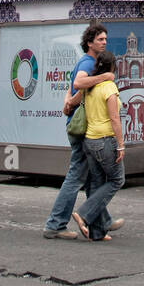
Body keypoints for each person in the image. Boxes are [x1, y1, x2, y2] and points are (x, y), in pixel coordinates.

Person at [43, 23, 122, 240]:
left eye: (105, 39)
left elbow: (74, 89)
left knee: (90, 177)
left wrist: (68, 102)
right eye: (100, 39)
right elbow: (79, 83)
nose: (104, 42)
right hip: (82, 128)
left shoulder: (87, 62)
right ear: (89, 42)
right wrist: (105, 77)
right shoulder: (88, 62)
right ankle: (56, 224)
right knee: (77, 177)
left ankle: (100, 222)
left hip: (82, 126)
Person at [71, 50, 125, 242]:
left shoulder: (90, 86)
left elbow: (72, 101)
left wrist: (66, 102)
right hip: (105, 140)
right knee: (117, 180)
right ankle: (83, 213)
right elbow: (114, 118)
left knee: (96, 183)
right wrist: (120, 144)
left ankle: (97, 232)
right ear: (112, 67)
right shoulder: (109, 87)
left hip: (89, 140)